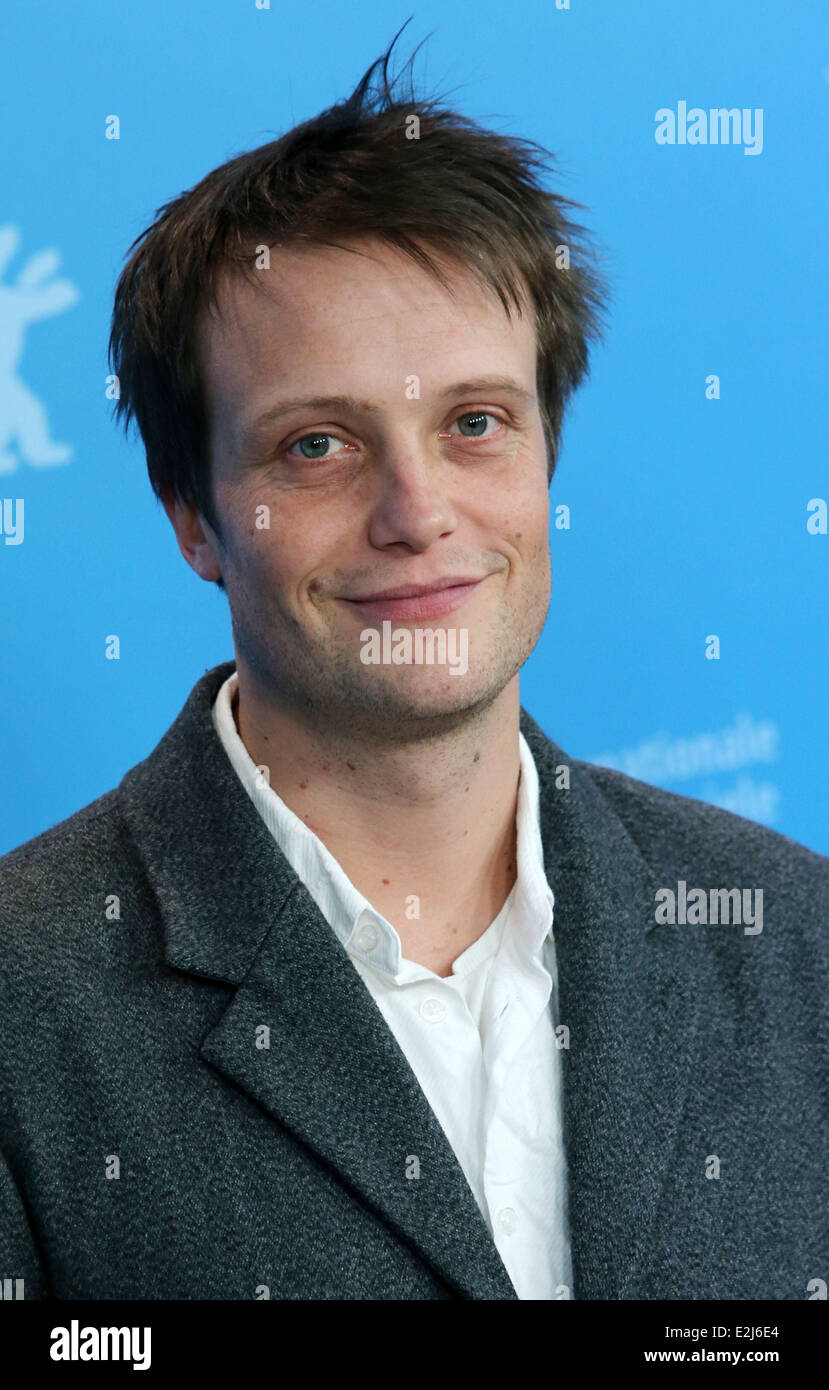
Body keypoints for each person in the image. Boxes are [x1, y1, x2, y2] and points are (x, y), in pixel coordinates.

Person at [1, 28, 826, 1301]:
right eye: (318, 445)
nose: (416, 510)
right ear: (192, 514)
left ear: (547, 449)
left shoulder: (794, 938)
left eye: (475, 424)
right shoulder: (24, 1003)